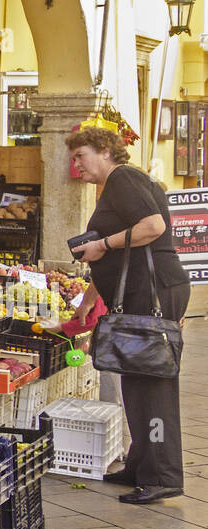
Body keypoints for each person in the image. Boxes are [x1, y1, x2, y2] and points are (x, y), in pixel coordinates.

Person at [68, 126, 190, 505]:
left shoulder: (123, 178)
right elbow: (117, 252)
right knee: (136, 382)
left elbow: (153, 227)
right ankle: (141, 464)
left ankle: (163, 475)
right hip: (146, 292)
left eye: (80, 155)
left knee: (152, 385)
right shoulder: (120, 183)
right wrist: (91, 295)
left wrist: (102, 243)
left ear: (105, 150)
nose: (76, 165)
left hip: (153, 292)